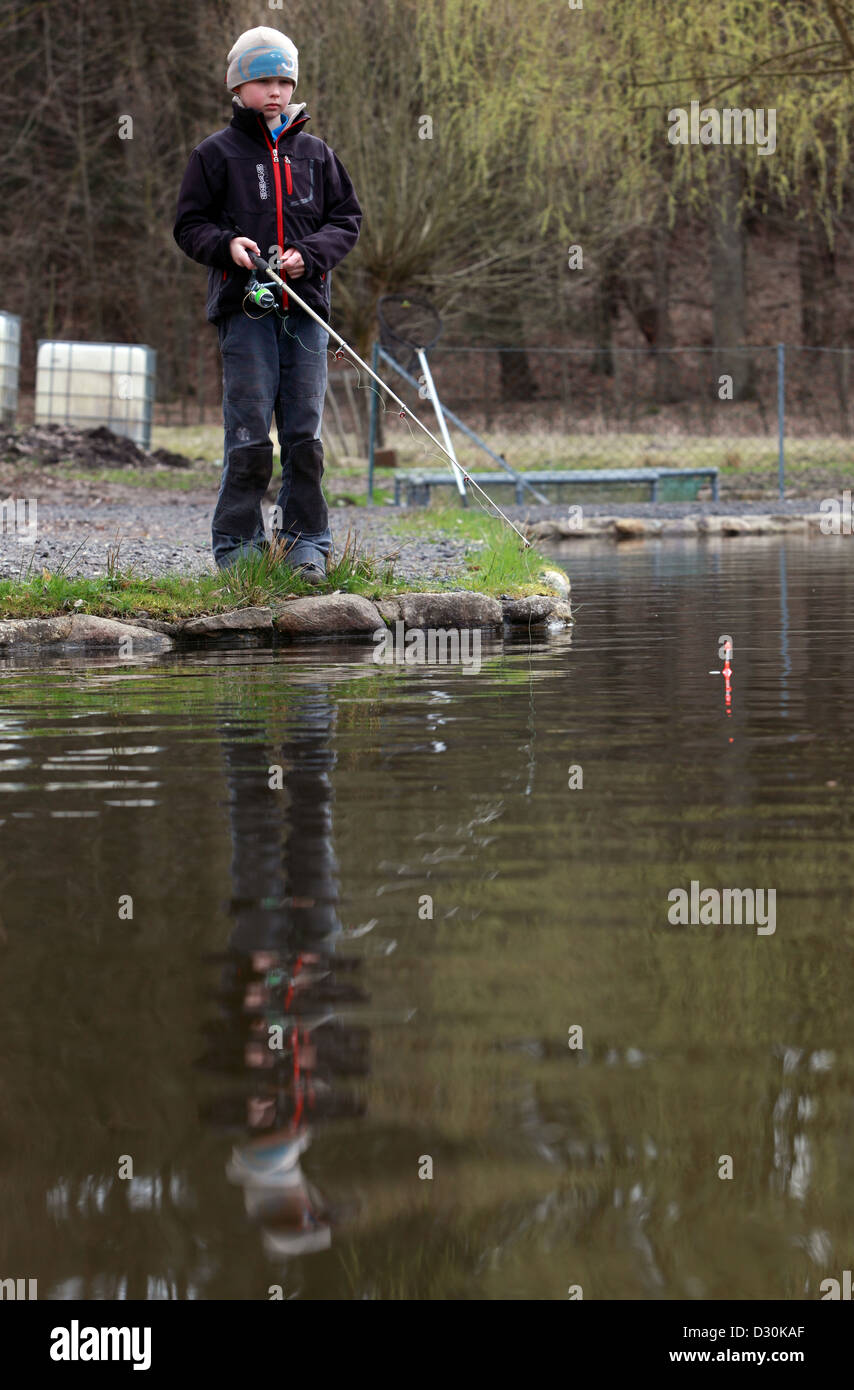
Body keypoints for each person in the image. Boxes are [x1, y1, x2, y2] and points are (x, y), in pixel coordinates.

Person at [173, 26, 362, 577]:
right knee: (249, 433)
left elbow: (345, 221)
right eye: (262, 81)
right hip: (243, 314)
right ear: (238, 88)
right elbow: (189, 226)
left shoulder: (318, 155)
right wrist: (227, 245)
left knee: (304, 435)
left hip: (305, 315)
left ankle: (307, 543)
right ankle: (239, 546)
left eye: (283, 80)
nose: (274, 91)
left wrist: (311, 255)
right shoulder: (213, 154)